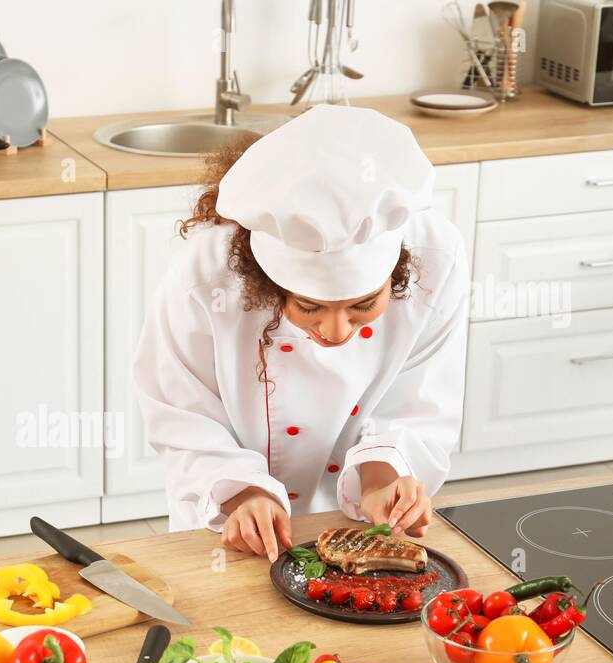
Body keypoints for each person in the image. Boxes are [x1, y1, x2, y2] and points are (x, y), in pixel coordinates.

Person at [133, 105, 469, 562]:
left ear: (397, 275)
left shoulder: (437, 259)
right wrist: (242, 494)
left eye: (363, 306)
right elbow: (181, 411)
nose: (336, 331)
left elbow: (419, 397)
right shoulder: (206, 273)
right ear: (268, 285)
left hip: (362, 531)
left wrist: (383, 482)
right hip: (233, 526)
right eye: (309, 307)